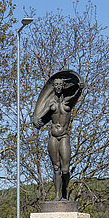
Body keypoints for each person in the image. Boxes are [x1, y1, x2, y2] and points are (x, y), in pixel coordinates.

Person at [30, 70, 83, 201]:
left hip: (64, 137)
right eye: (56, 85)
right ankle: (57, 196)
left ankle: (64, 193)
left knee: (65, 170)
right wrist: (36, 120)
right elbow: (40, 117)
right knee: (56, 167)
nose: (58, 87)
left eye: (61, 85)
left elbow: (76, 95)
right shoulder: (51, 104)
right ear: (54, 87)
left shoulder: (68, 103)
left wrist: (80, 88)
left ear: (63, 86)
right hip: (53, 137)